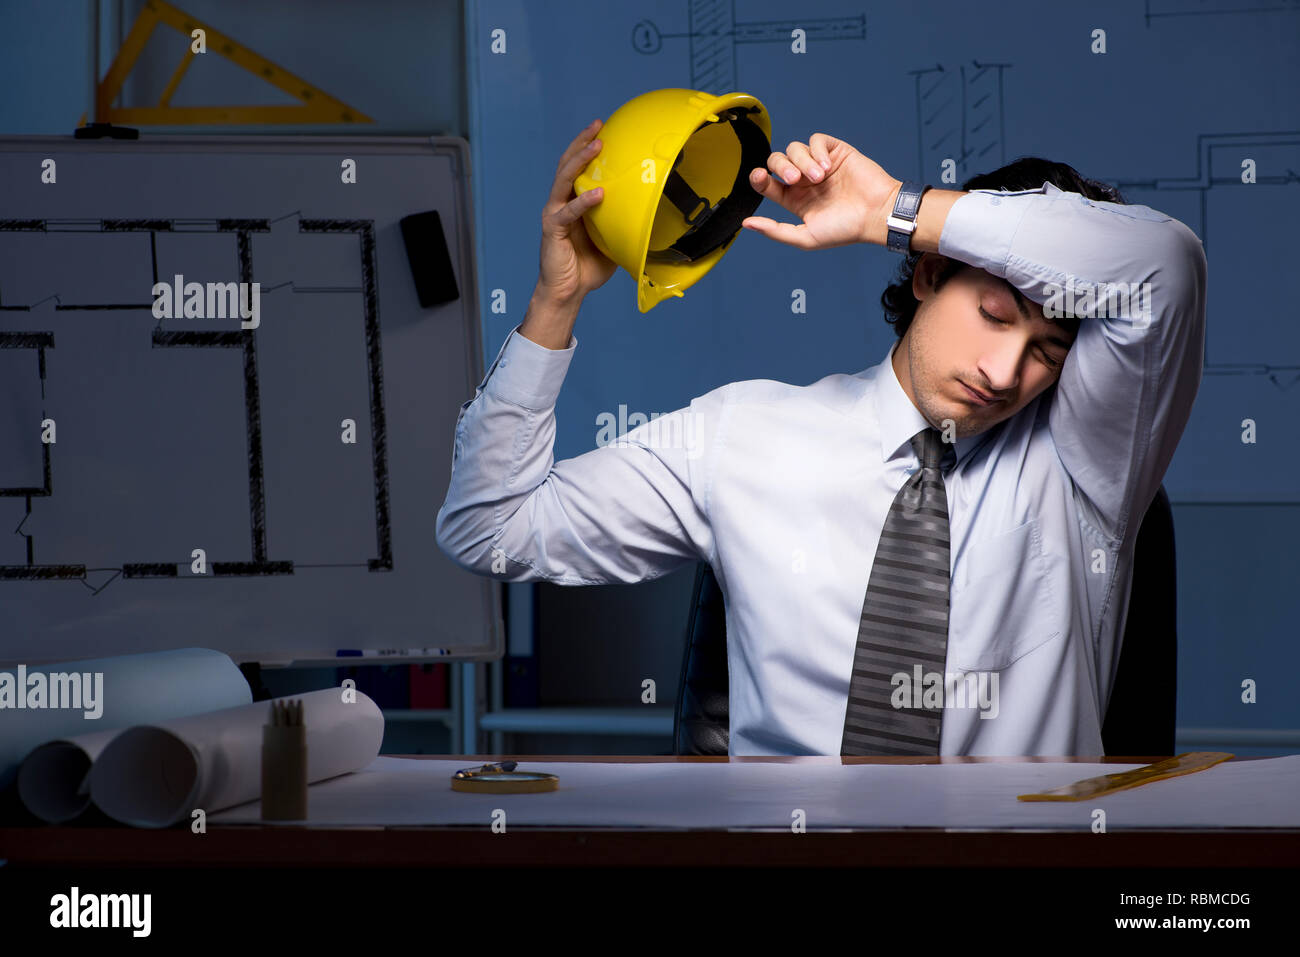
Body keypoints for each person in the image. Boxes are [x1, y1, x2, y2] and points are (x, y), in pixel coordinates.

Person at [436, 119, 1207, 756]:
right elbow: (490, 527)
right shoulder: (742, 435)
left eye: (1048, 351)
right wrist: (555, 303)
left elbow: (1164, 264)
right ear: (929, 275)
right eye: (995, 316)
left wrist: (890, 209)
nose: (1005, 373)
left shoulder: (1087, 461)